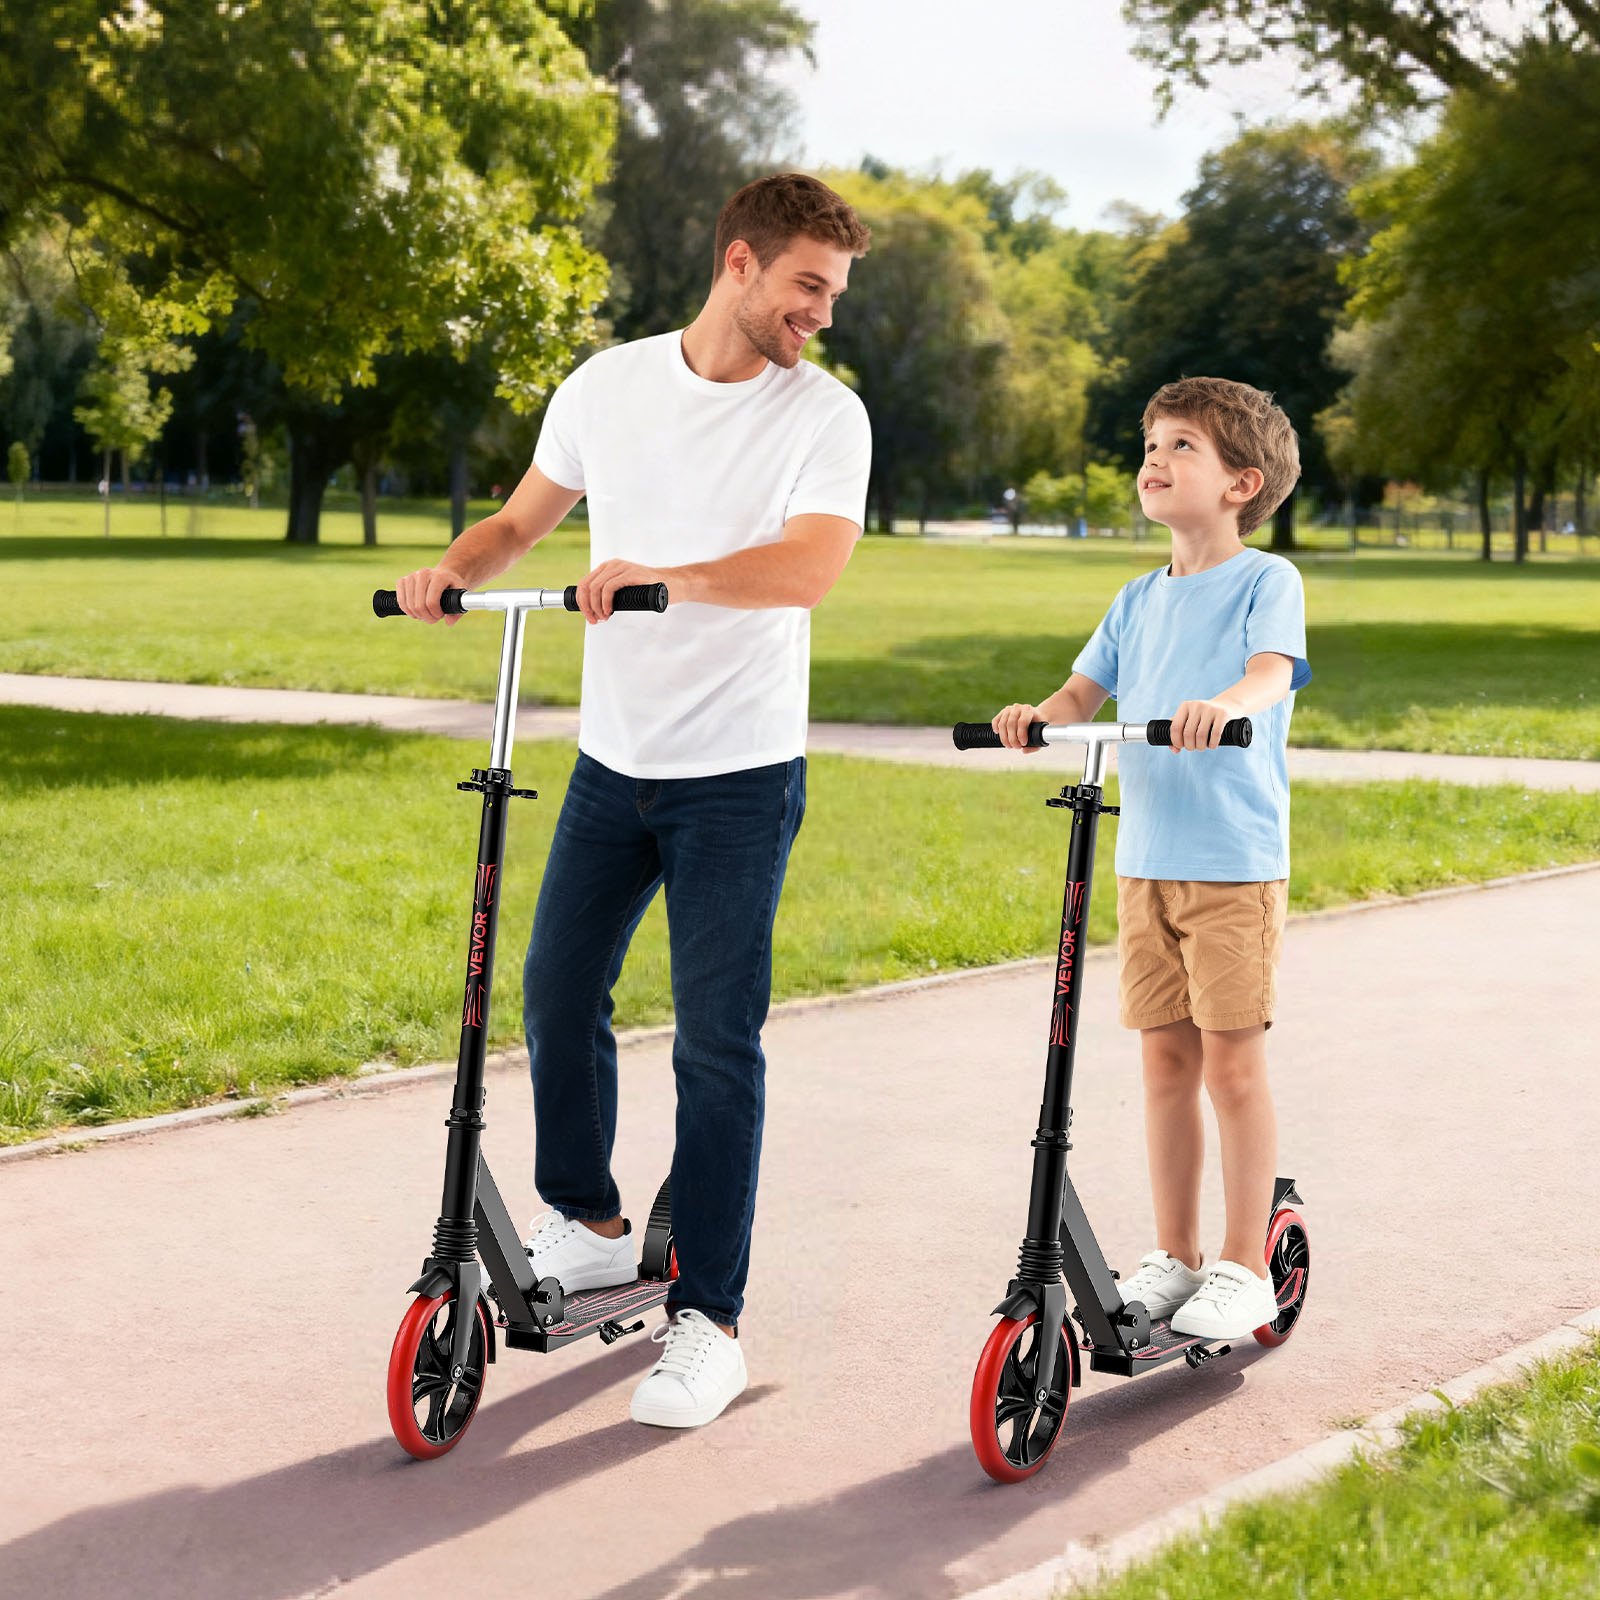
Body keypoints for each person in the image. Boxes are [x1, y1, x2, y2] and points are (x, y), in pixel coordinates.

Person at [394, 172, 872, 1429]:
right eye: (805, 286)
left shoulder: (826, 417)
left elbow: (808, 569)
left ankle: (709, 1318)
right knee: (554, 989)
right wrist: (453, 569)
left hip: (739, 772)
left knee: (718, 1043)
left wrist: (673, 573)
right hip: (617, 758)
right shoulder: (607, 384)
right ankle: (598, 1224)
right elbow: (518, 520)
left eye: (831, 292)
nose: (819, 312)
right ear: (738, 264)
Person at [990, 376, 1310, 1341]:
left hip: (1232, 865)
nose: (1156, 460)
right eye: (1154, 444)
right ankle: (1175, 1256)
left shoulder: (1266, 582)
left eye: (1182, 448)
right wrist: (1034, 720)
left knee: (1232, 1069)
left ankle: (1245, 1266)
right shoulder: (1136, 599)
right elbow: (1082, 694)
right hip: (1147, 862)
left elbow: (1267, 674)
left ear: (1241, 483)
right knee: (1165, 1064)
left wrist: (1228, 707)